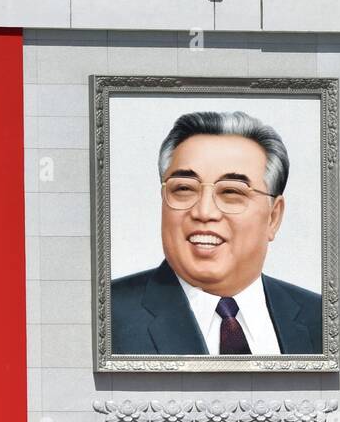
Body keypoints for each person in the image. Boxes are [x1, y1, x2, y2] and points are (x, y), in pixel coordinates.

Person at [110, 111, 322, 356]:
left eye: (231, 192)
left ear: (273, 217)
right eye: (184, 189)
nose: (204, 211)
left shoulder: (321, 318)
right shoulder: (103, 315)